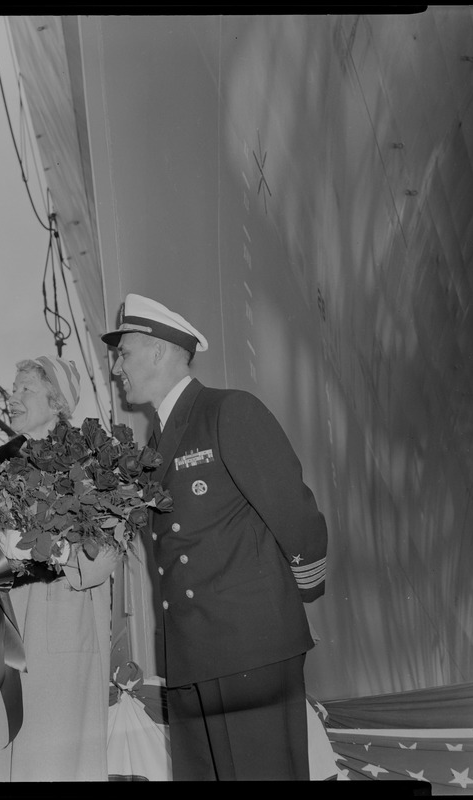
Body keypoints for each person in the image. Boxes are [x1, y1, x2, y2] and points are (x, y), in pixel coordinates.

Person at [101, 293, 328, 781]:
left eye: (124, 353)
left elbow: (296, 515)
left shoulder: (228, 411)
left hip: (249, 648)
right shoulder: (156, 445)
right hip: (192, 656)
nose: (117, 367)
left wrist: (299, 595)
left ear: (159, 351)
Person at [0, 356, 119, 782]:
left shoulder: (93, 459)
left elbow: (111, 547)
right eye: (13, 388)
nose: (11, 397)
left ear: (56, 400)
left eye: (25, 390)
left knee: (51, 757)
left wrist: (61, 554)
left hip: (59, 614)